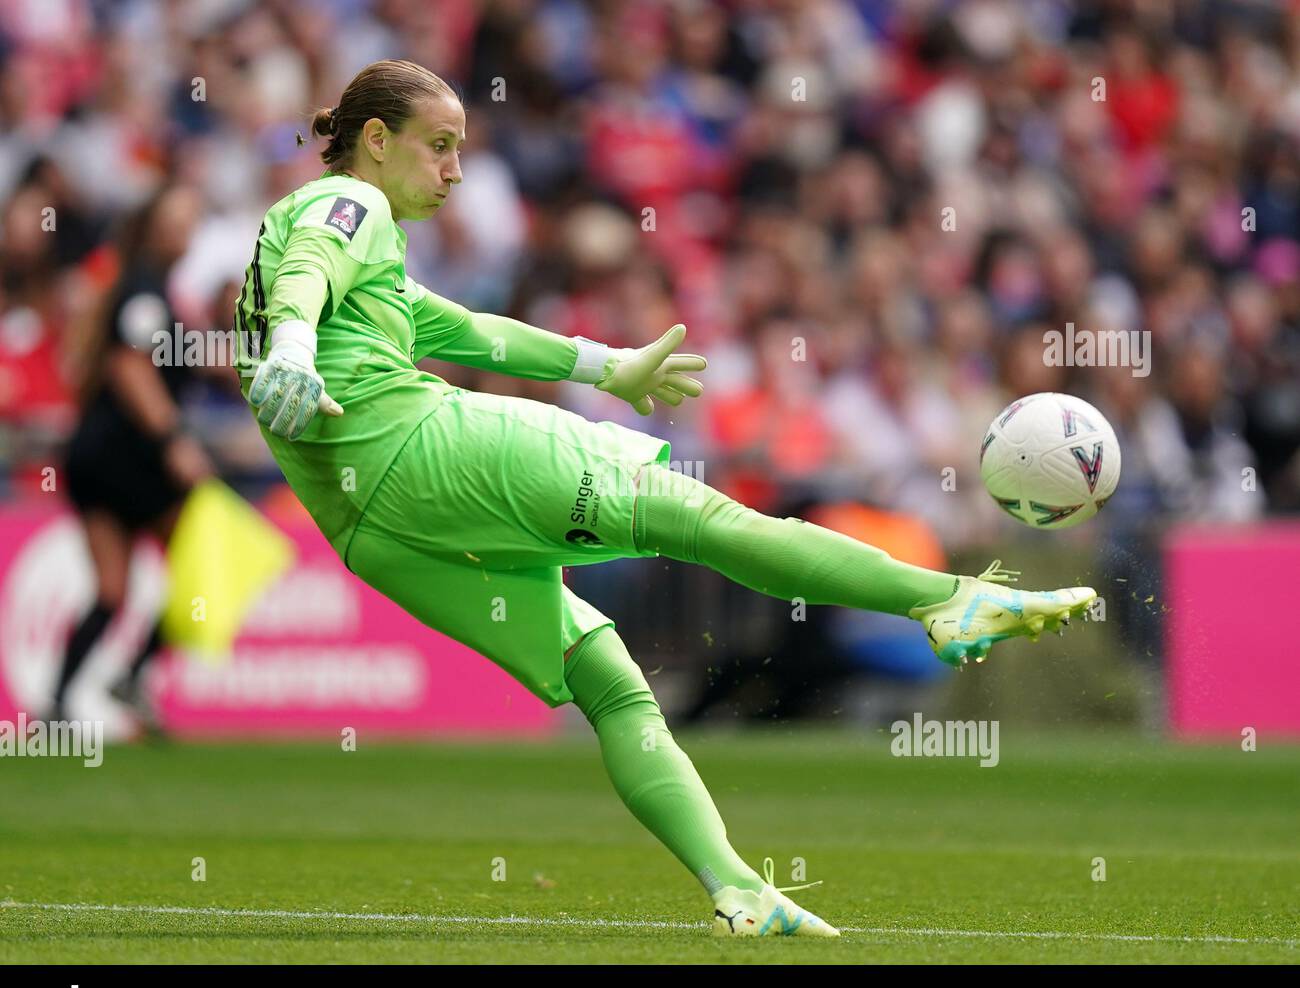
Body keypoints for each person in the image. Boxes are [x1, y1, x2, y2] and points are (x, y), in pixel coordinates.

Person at [234, 60, 1095, 938]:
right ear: (375, 141)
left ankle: (737, 890)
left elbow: (468, 328)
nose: (455, 171)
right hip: (428, 451)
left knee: (610, 684)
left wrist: (610, 366)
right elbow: (313, 268)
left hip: (374, 534)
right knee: (707, 518)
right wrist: (295, 346)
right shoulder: (349, 207)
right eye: (441, 147)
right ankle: (948, 599)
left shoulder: (318, 242)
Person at [55, 183, 214, 731]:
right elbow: (131, 367)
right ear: (154, 227)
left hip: (104, 458)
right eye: (180, 218)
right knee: (206, 556)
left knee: (112, 591)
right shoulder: (145, 290)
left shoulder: (151, 288)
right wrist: (173, 439)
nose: (189, 228)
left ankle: (58, 706)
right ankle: (130, 675)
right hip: (123, 458)